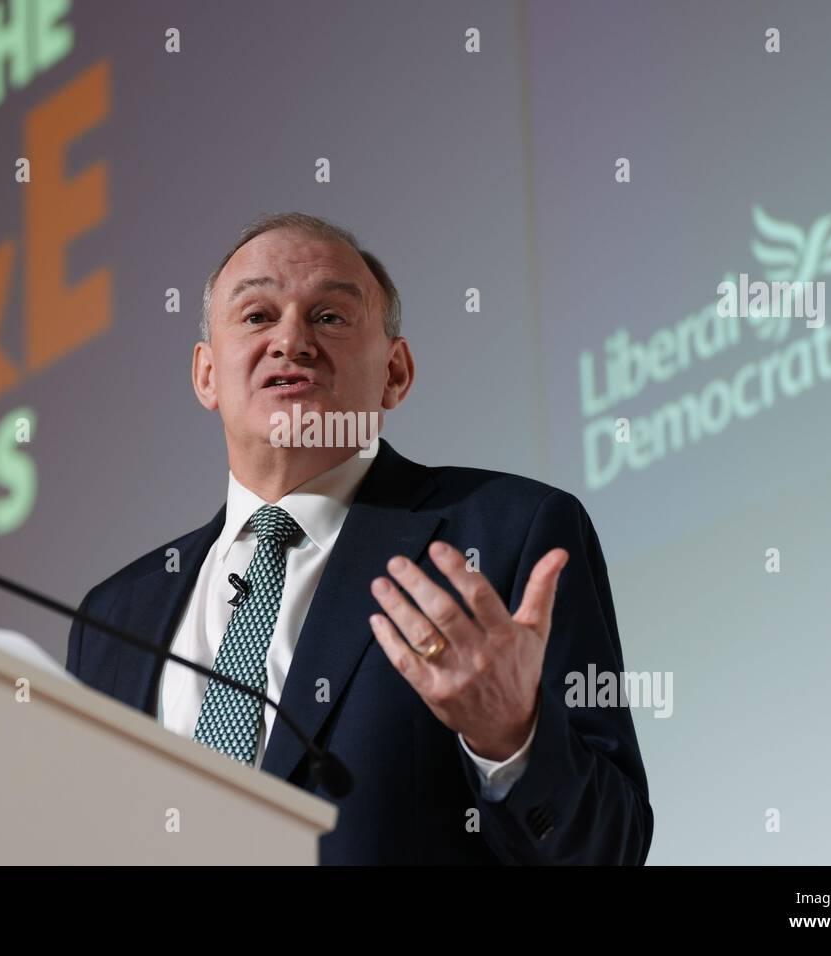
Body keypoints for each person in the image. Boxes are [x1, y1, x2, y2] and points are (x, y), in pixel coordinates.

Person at [66, 212, 652, 864]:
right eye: (257, 316)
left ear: (395, 373)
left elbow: (608, 849)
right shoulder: (114, 616)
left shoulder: (508, 534)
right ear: (206, 375)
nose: (292, 340)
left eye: (331, 317)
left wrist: (510, 738)